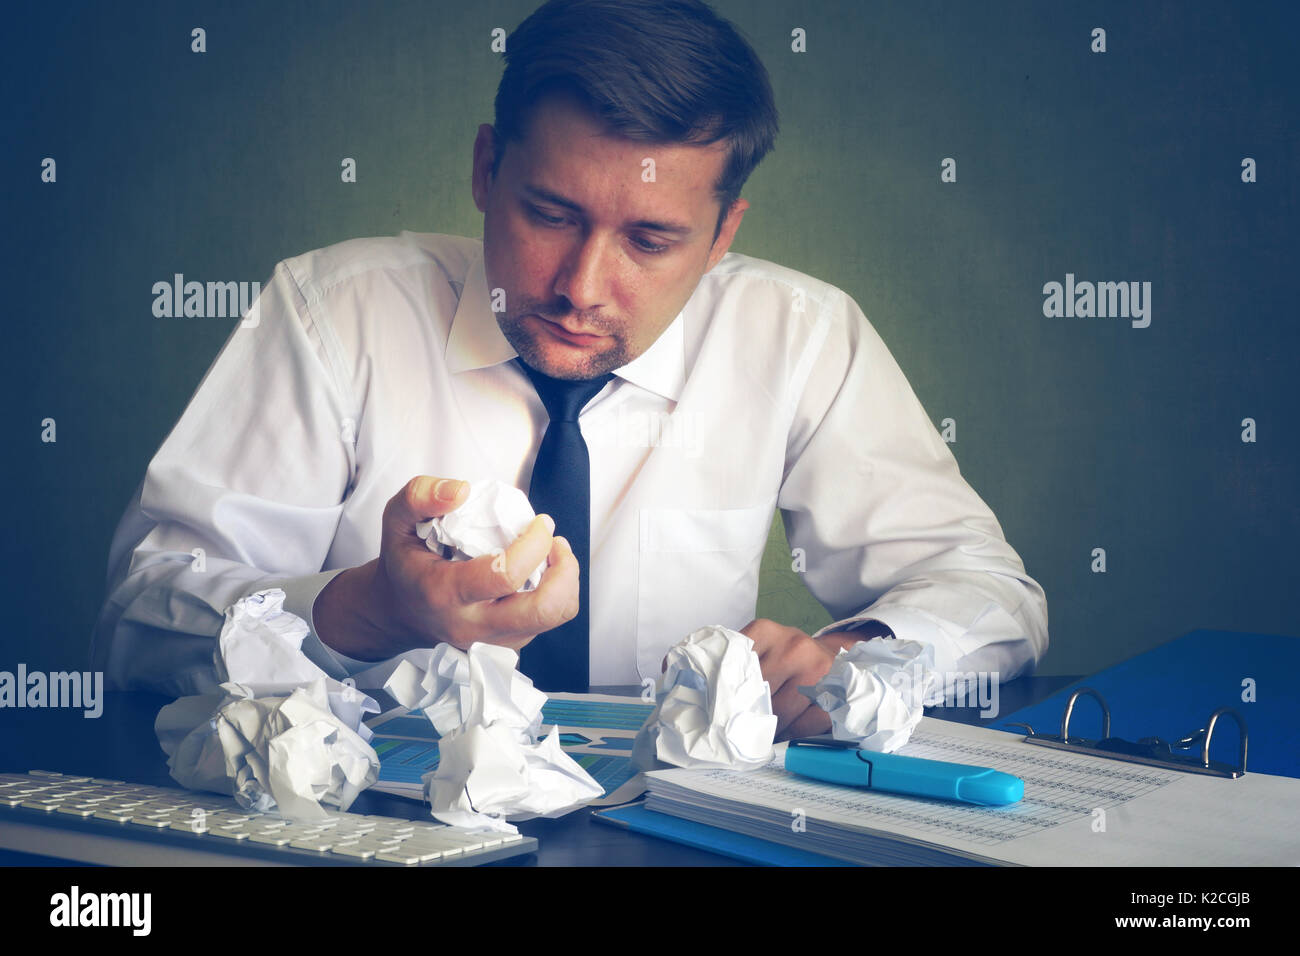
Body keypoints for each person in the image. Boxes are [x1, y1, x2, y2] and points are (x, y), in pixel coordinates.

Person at [92, 0, 1048, 740]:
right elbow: (141, 615)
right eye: (549, 214)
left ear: (722, 236)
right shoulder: (332, 313)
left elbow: (988, 592)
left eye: (650, 239)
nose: (583, 287)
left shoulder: (797, 335)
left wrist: (846, 659)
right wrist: (363, 611)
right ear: (484, 170)